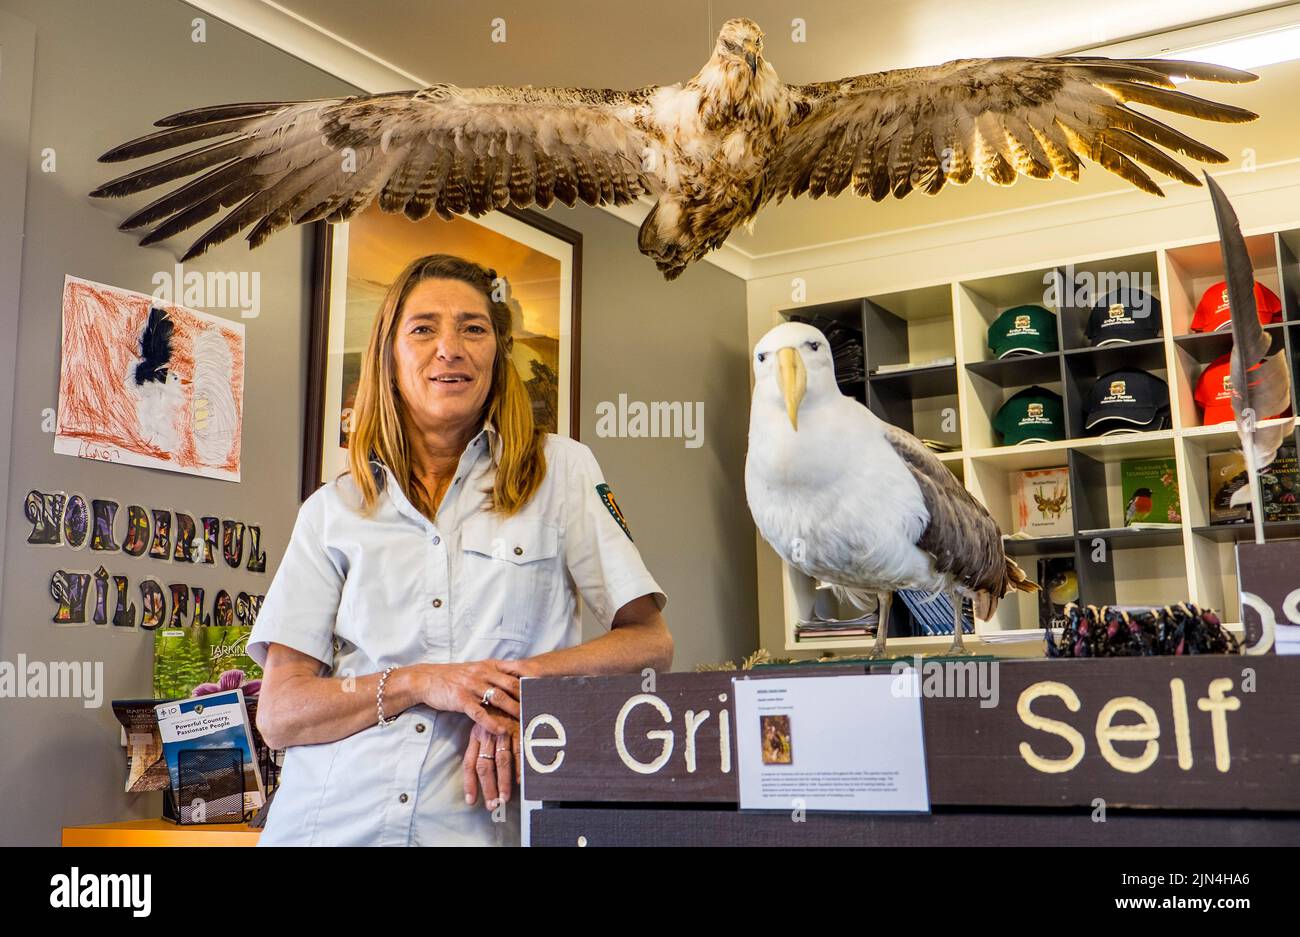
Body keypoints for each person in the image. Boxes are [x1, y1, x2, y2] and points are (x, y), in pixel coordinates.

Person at [246, 254, 672, 846]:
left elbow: (649, 643)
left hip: (479, 828)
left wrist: (506, 692)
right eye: (423, 329)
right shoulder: (331, 510)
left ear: (497, 354)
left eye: (473, 328)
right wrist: (421, 682)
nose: (450, 348)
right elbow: (280, 714)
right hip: (329, 827)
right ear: (388, 356)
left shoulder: (562, 472)